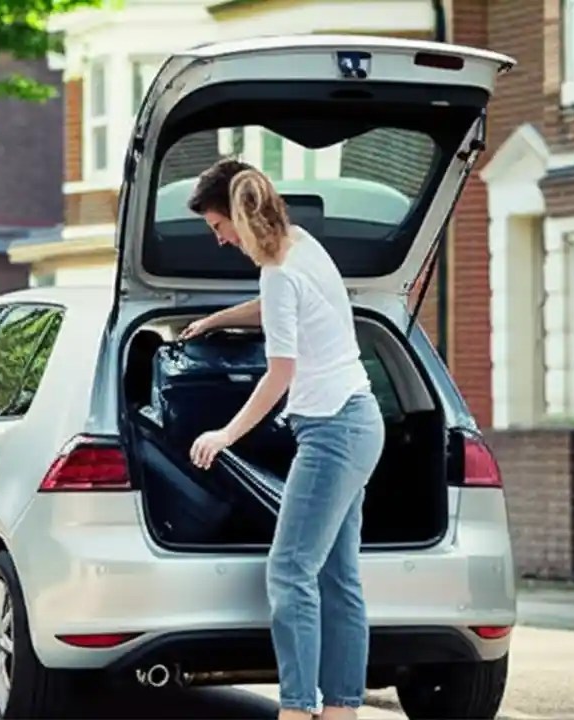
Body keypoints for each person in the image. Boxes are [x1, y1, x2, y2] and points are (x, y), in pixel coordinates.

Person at [178, 158, 385, 720]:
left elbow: (280, 373)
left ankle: (297, 709)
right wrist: (219, 319)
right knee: (339, 578)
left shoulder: (279, 271)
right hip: (360, 422)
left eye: (218, 228)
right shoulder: (302, 245)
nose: (220, 241)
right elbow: (278, 307)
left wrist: (224, 435)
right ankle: (341, 709)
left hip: (333, 432)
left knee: (289, 571)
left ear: (238, 219)